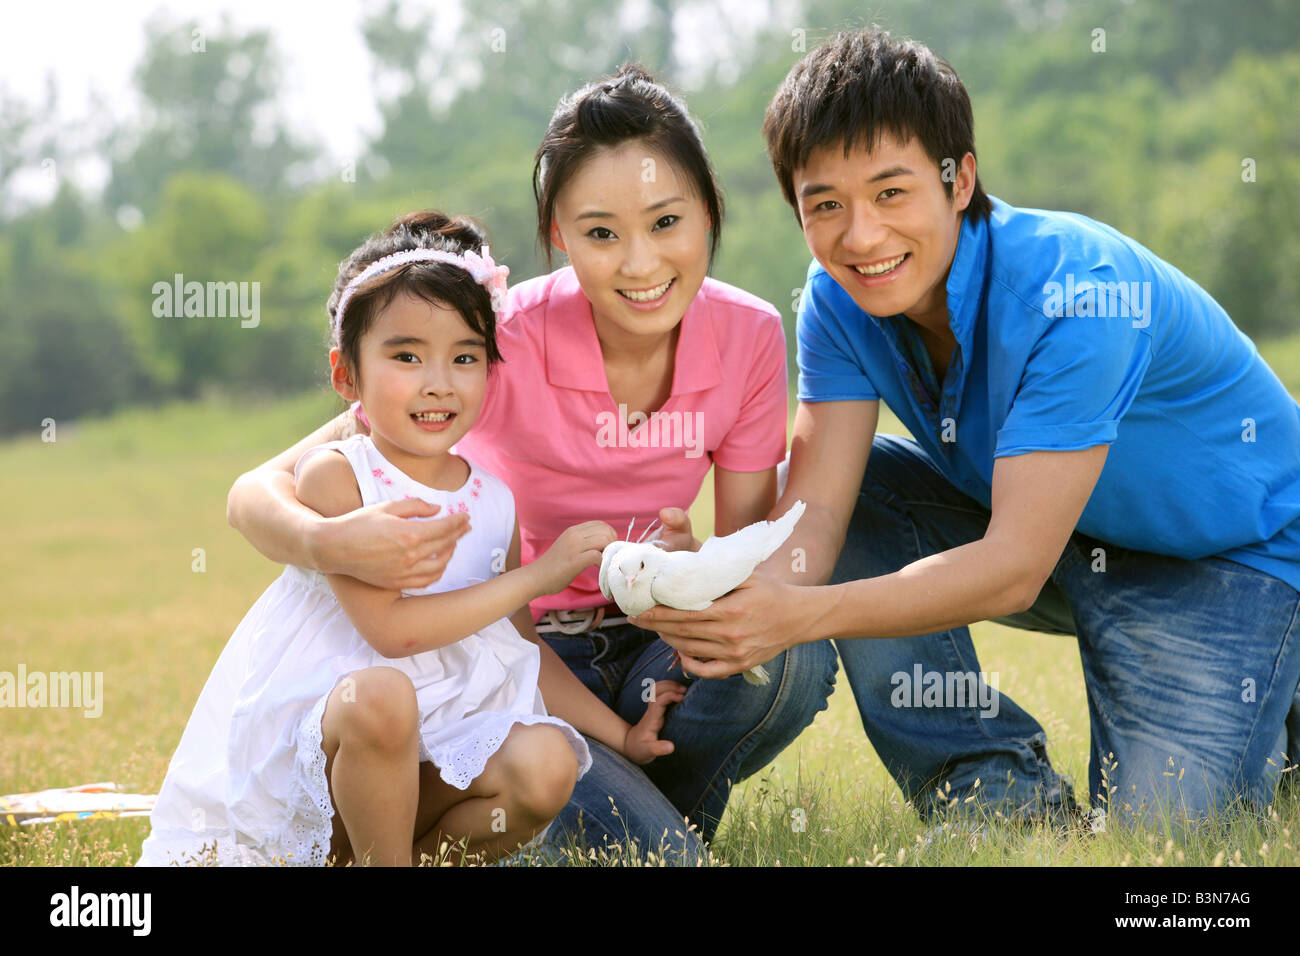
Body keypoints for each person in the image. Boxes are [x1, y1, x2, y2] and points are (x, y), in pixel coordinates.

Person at [636, 27, 1300, 829]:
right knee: (865, 490)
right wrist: (706, 587)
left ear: (960, 181)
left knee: (1163, 836)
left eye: (891, 193)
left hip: (1225, 557)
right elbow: (811, 526)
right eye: (826, 206)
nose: (862, 237)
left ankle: (1281, 681)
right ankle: (994, 790)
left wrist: (806, 616)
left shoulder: (1078, 294)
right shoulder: (836, 300)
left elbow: (1014, 569)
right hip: (1062, 535)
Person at [224, 67, 839, 862]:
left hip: (655, 642)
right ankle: (628, 828)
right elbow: (253, 493)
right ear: (557, 232)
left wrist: (700, 570)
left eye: (666, 222)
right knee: (662, 854)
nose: (641, 264)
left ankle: (620, 802)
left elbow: (749, 551)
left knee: (789, 660)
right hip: (522, 657)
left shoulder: (749, 333)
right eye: (601, 233)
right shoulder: (493, 337)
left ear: (710, 211)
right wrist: (326, 544)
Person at [139, 211, 685, 867]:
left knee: (544, 763)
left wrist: (623, 738)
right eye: (405, 356)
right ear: (347, 376)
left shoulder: (492, 498)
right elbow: (392, 635)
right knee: (383, 695)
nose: (437, 381)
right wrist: (541, 576)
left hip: (424, 764)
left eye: (464, 358)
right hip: (328, 755)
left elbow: (519, 645)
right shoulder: (339, 477)